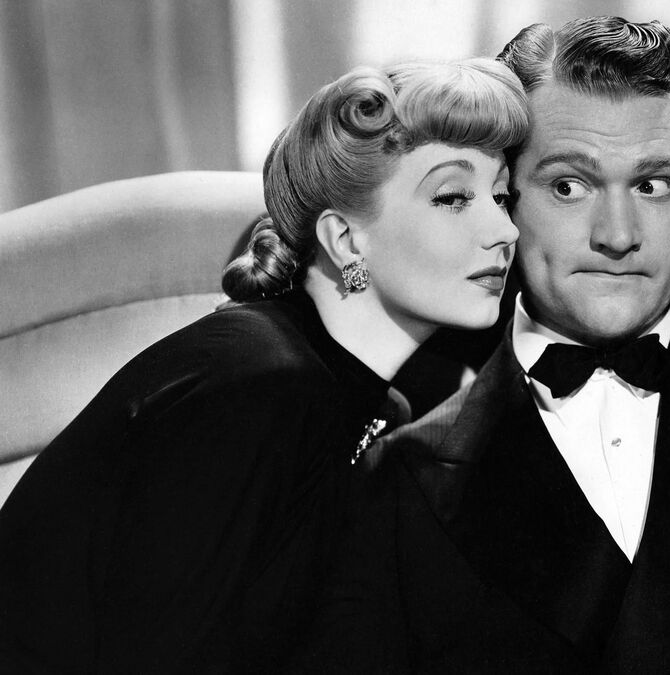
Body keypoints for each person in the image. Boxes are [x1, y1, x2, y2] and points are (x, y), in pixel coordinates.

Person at [299, 17, 670, 673]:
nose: (617, 235)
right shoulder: (393, 476)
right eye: (568, 186)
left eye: (652, 184)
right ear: (505, 197)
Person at [0, 58, 526, 673]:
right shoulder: (261, 385)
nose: (504, 230)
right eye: (453, 198)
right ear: (345, 239)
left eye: (501, 196)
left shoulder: (359, 396)